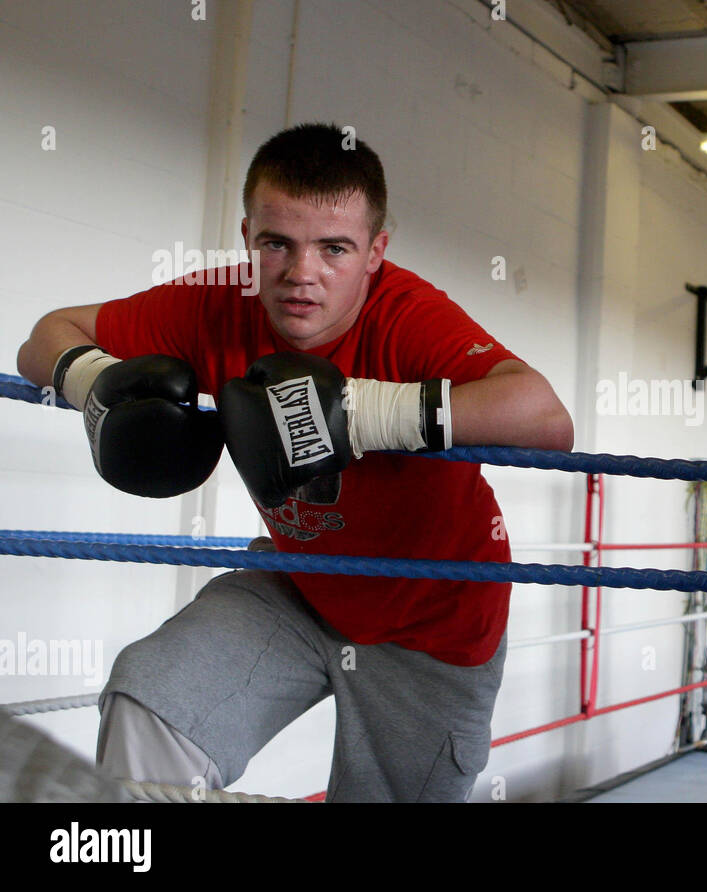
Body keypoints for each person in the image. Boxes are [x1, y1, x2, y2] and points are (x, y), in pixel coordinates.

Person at [15, 123, 574, 802]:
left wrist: (360, 413)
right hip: (299, 587)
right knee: (151, 703)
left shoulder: (407, 316)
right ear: (248, 237)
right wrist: (96, 383)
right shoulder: (216, 303)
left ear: (376, 252)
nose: (301, 273)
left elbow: (546, 418)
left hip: (433, 626)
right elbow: (45, 338)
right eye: (277, 243)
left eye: (334, 248)